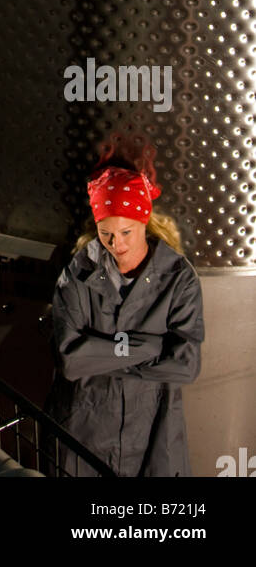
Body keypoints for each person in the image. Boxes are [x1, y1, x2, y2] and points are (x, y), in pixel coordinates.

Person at [46, 134, 204, 477]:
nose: (116, 244)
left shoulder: (178, 278)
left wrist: (103, 359)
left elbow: (187, 365)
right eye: (106, 234)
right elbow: (71, 361)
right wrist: (149, 348)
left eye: (126, 233)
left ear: (144, 223)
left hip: (153, 433)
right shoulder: (78, 272)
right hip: (85, 429)